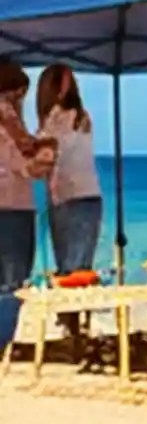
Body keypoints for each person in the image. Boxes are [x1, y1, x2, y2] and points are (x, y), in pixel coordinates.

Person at [36, 63, 103, 277]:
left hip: (81, 196)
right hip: (63, 198)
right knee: (67, 267)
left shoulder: (76, 117)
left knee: (76, 268)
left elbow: (58, 148)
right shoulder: (51, 121)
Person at [0, 61, 48, 347]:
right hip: (13, 206)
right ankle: (2, 342)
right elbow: (23, 162)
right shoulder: (7, 116)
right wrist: (45, 155)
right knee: (13, 280)